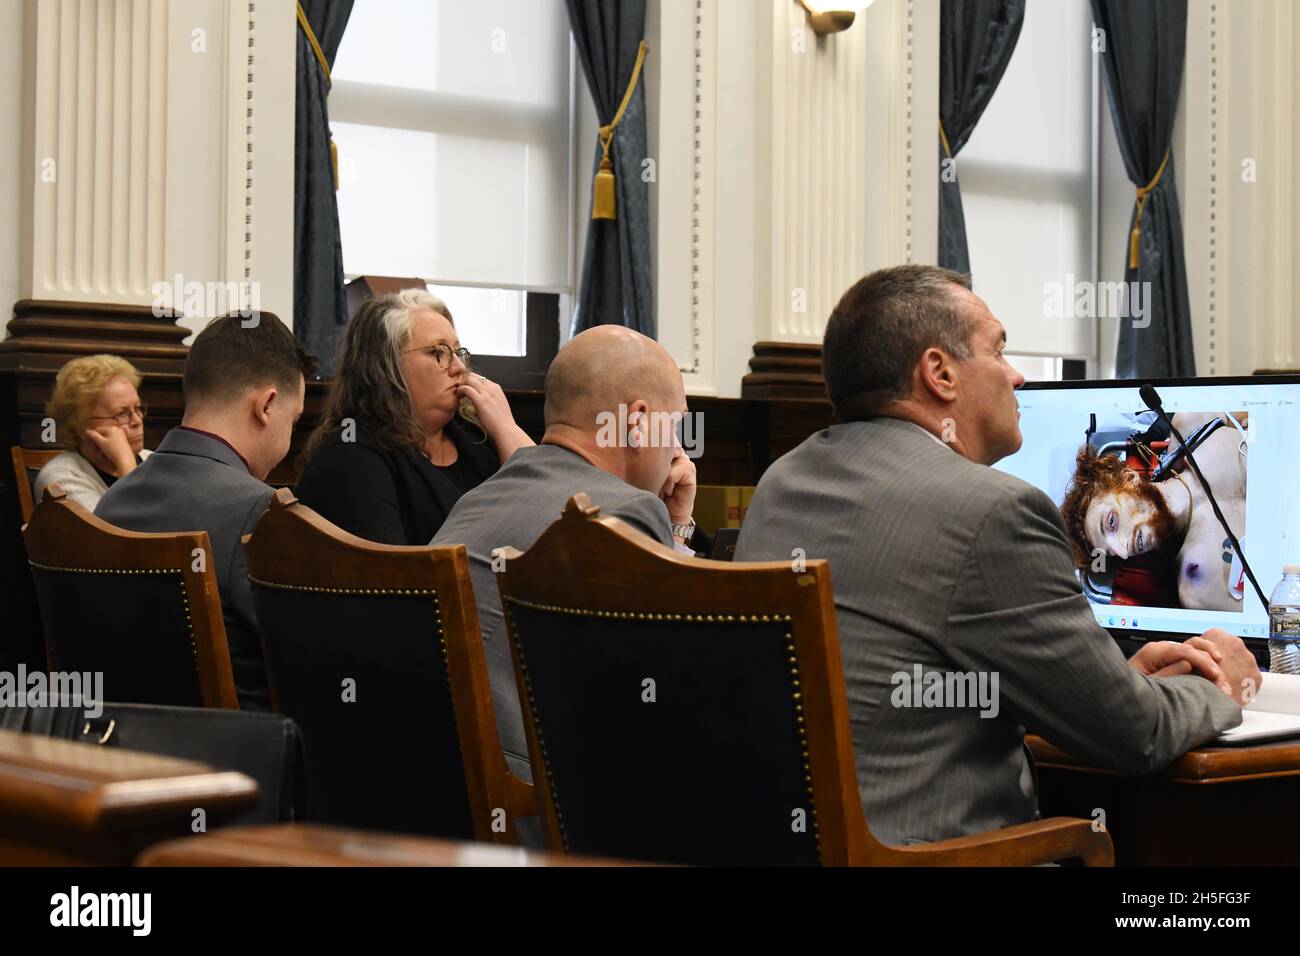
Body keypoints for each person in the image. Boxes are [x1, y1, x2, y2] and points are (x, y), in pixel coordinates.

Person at [733, 264, 1257, 847]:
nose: (1018, 377)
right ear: (939, 373)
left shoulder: (782, 483)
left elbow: (892, 683)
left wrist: (1100, 685)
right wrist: (1223, 688)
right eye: (1000, 350)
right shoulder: (993, 510)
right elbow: (1138, 737)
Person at [432, 325, 703, 784]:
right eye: (674, 425)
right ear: (636, 422)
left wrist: (673, 526)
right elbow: (670, 686)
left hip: (427, 785)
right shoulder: (624, 512)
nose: (678, 448)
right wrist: (671, 524)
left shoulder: (478, 498)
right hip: (528, 802)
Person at [96, 313, 315, 710]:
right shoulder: (263, 514)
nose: (288, 441)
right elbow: (316, 667)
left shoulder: (109, 504)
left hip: (116, 753)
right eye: (295, 421)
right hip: (241, 763)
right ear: (267, 405)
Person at [295, 289, 533, 545]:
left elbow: (548, 521)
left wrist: (507, 429)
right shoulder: (350, 457)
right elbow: (393, 578)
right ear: (387, 365)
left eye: (457, 352)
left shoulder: (478, 438)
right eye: (438, 352)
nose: (459, 368)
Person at [1061, 412, 1249, 611]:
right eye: (1112, 553)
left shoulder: (1193, 423)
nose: (1124, 551)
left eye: (1111, 523)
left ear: (1128, 479)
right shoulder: (1198, 588)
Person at [35, 355, 152, 511]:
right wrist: (126, 463)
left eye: (137, 408)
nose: (137, 421)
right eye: (122, 413)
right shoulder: (61, 480)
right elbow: (136, 530)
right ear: (82, 425)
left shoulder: (152, 460)